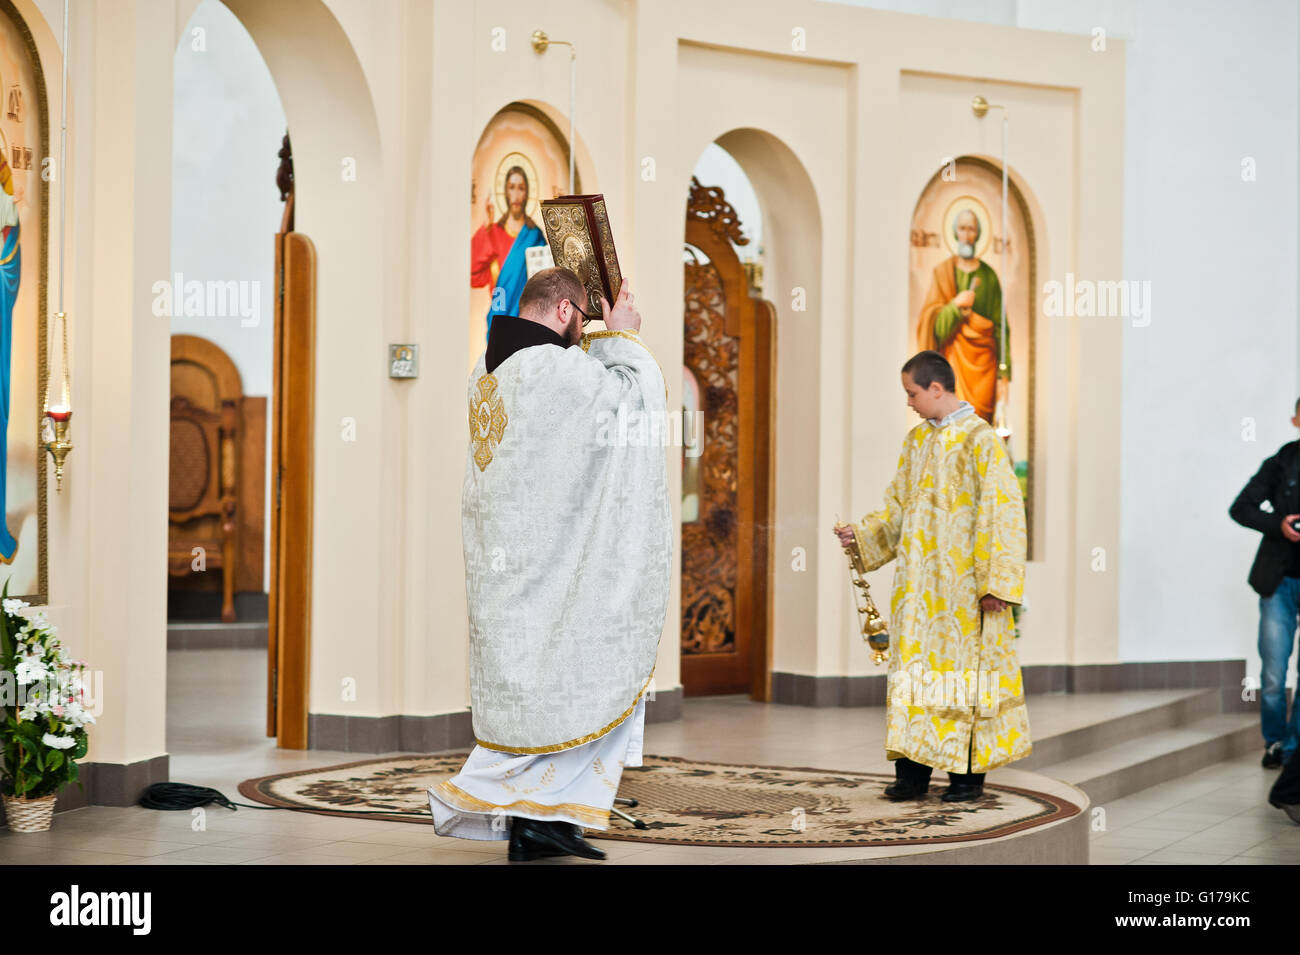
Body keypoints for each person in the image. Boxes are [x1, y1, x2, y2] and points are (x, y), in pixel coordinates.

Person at [428, 267, 671, 862]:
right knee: (573, 683)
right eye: (583, 319)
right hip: (555, 576)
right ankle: (536, 818)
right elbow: (635, 405)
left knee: (541, 698)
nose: (584, 332)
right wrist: (623, 336)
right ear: (564, 310)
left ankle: (542, 823)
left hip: (509, 572)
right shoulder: (557, 372)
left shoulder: (486, 372)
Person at [835, 350, 1029, 801]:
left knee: (964, 678)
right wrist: (862, 535)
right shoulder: (916, 442)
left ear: (936, 388)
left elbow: (1003, 512)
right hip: (919, 592)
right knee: (915, 678)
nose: (909, 402)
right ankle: (912, 774)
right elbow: (898, 507)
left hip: (964, 591)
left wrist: (996, 583)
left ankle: (966, 778)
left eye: (912, 393)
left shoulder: (981, 440)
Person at [1229, 400, 1300, 769]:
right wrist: (1279, 525)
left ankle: (1294, 748)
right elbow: (1240, 508)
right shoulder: (1281, 462)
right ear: (1295, 420)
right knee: (1273, 672)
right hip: (1279, 581)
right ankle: (1274, 742)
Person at [913, 209, 1009, 424]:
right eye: (962, 228)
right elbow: (933, 325)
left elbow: (1001, 327)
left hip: (984, 366)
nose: (966, 235)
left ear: (978, 233)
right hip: (952, 362)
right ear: (955, 232)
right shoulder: (943, 273)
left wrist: (1005, 372)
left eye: (971, 229)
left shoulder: (989, 276)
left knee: (980, 427)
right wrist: (955, 306)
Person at [470, 165, 548, 341]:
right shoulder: (493, 233)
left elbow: (546, 284)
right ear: (505, 192)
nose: (516, 195)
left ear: (527, 193)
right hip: (499, 318)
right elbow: (473, 274)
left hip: (528, 323)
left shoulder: (534, 236)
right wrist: (486, 226)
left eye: (521, 188)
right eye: (512, 187)